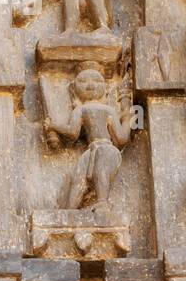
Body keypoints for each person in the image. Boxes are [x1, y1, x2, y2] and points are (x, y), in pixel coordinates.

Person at [45, 66, 136, 209]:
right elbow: (74, 134)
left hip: (106, 149)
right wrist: (126, 120)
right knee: (78, 176)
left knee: (101, 167)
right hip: (93, 149)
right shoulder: (85, 110)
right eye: (83, 81)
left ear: (105, 88)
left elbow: (72, 133)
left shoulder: (87, 110)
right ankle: (71, 211)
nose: (90, 85)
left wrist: (53, 125)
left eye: (96, 81)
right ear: (73, 89)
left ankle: (102, 202)